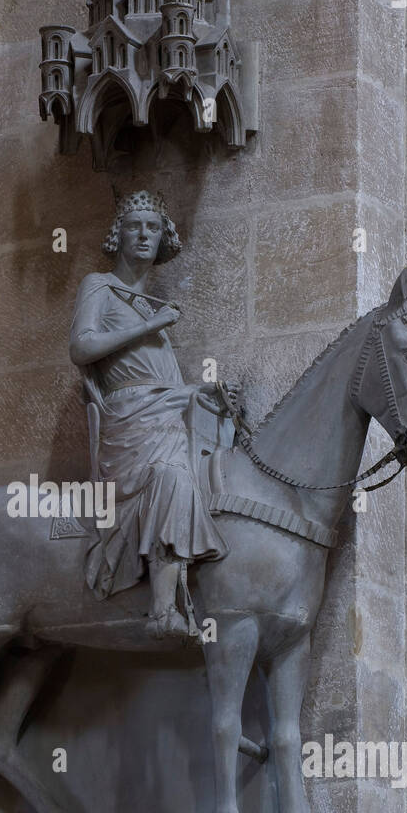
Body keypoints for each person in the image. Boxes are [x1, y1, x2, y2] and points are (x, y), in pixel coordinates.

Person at [69, 190, 234, 639]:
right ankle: (163, 611)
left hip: (163, 410)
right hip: (128, 419)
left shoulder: (150, 307)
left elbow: (163, 382)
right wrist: (149, 326)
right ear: (117, 234)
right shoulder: (99, 287)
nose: (144, 235)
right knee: (173, 477)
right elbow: (81, 348)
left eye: (153, 227)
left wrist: (206, 391)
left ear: (164, 238)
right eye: (135, 226)